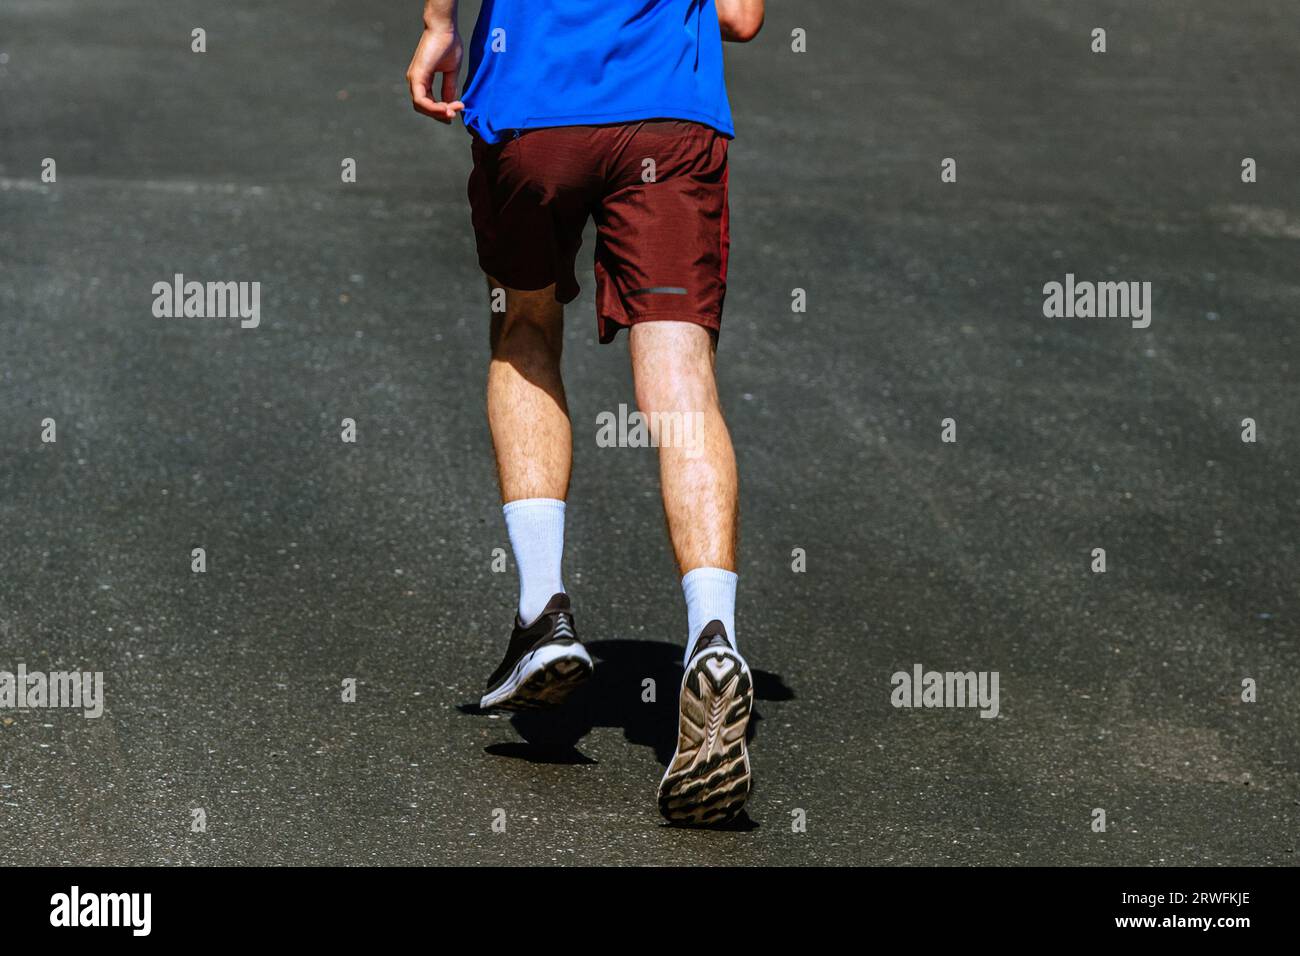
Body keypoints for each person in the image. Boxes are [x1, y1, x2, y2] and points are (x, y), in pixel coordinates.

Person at [407, 0, 764, 826]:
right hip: (670, 122)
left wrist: (438, 24)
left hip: (535, 112)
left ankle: (545, 613)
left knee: (525, 328)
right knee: (680, 376)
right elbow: (740, 18)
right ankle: (713, 635)